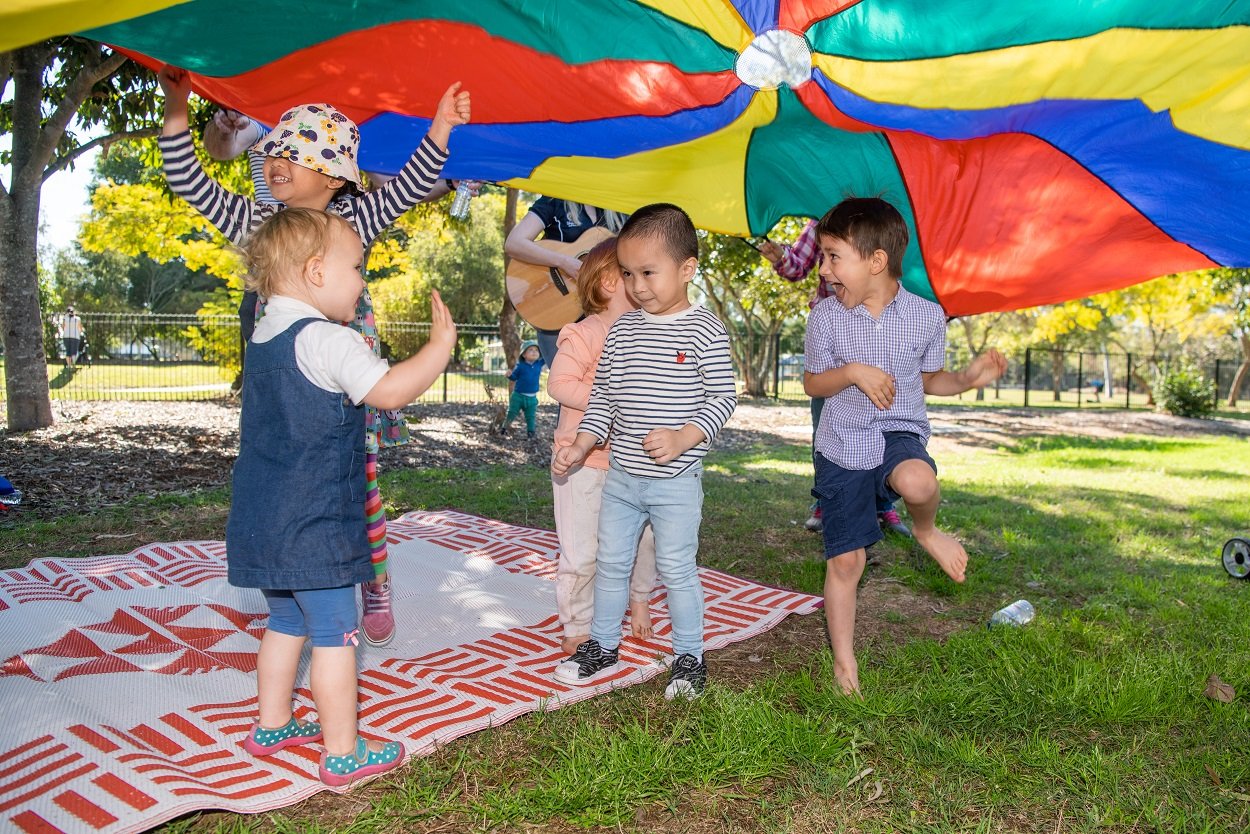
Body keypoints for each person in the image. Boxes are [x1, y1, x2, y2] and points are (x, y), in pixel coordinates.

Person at [158, 66, 470, 647]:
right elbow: (187, 178)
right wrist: (178, 104)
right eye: (274, 148)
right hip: (282, 378)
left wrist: (442, 127)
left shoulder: (352, 220)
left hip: (345, 368)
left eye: (294, 154)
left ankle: (370, 576)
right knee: (290, 470)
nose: (275, 158)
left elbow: (405, 186)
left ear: (332, 178)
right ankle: (291, 574)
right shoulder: (259, 223)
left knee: (357, 474)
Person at [228, 208, 456, 785]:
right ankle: (342, 749)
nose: (362, 281)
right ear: (314, 272)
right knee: (335, 632)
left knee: (285, 621)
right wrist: (439, 349)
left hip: (263, 519)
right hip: (316, 520)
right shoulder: (327, 340)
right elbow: (389, 390)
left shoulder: (263, 336)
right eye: (356, 267)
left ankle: (272, 722)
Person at [803, 197, 1006, 696]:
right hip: (842, 442)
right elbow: (812, 384)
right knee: (847, 562)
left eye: (833, 257)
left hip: (898, 431)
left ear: (876, 261)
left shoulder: (926, 316)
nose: (823, 269)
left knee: (918, 481)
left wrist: (965, 378)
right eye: (823, 257)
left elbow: (929, 380)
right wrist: (851, 373)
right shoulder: (826, 318)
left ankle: (928, 530)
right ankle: (844, 663)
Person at [551, 203, 737, 700]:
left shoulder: (705, 330)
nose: (636, 286)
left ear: (687, 269)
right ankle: (603, 645)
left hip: (675, 483)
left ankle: (690, 657)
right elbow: (605, 400)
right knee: (612, 563)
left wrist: (684, 436)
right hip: (622, 481)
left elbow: (724, 397)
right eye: (628, 274)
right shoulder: (625, 330)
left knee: (676, 568)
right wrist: (582, 444)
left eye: (648, 273)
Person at [760, 222, 911, 539]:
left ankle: (881, 502)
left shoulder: (884, 222)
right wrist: (778, 256)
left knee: (887, 424)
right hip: (834, 342)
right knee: (827, 427)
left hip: (880, 339)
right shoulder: (822, 223)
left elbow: (903, 279)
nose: (826, 269)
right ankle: (829, 499)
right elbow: (798, 264)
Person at [548, 238, 658, 655]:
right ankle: (577, 622)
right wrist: (611, 399)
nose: (648, 284)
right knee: (584, 550)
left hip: (632, 461)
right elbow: (560, 385)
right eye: (637, 274)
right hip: (583, 462)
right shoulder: (585, 333)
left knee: (644, 538)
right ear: (612, 281)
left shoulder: (646, 335)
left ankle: (639, 598)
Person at [503, 197, 628, 368]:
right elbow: (514, 243)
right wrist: (563, 262)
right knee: (567, 388)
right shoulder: (555, 201)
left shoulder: (621, 210)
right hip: (557, 311)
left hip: (607, 319)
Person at [500, 339, 544, 438]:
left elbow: (547, 355)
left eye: (536, 350)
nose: (534, 352)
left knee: (531, 416)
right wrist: (509, 375)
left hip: (532, 398)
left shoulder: (539, 364)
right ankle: (504, 429)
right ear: (524, 355)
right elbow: (514, 377)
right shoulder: (520, 366)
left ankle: (531, 433)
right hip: (518, 396)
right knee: (511, 413)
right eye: (531, 350)